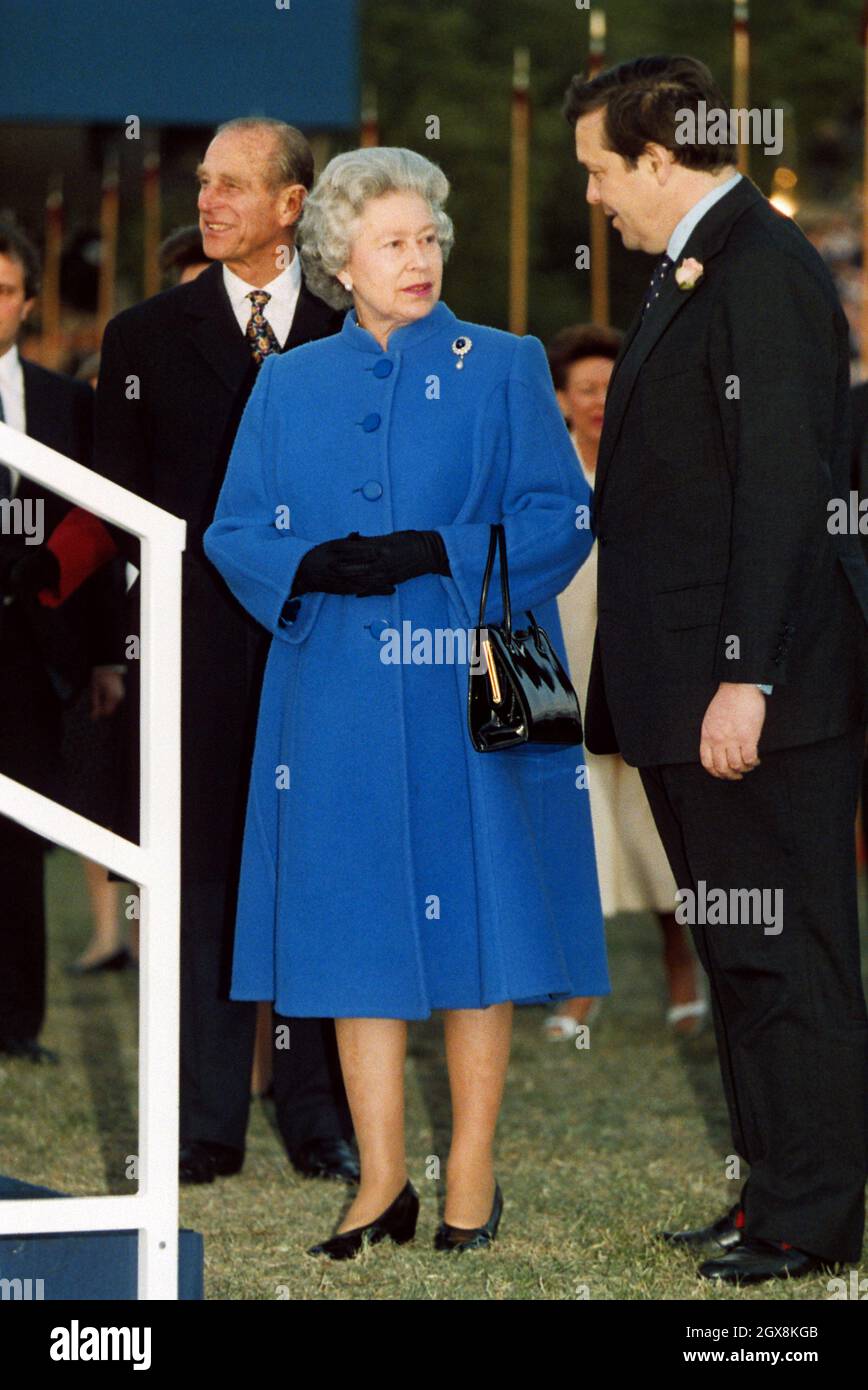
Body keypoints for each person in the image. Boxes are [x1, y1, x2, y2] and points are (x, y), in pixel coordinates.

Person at [203, 145, 609, 1260]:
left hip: (474, 680)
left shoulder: (506, 361)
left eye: (428, 237)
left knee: (479, 917)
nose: (418, 258)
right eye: (392, 242)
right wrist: (304, 567)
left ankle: (468, 1165)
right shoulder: (286, 382)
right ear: (339, 256)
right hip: (329, 691)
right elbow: (232, 528)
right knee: (350, 931)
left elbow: (560, 517)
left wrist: (442, 544)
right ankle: (379, 1178)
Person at [565, 54, 868, 1285]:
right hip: (696, 691)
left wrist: (744, 675)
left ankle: (810, 1217)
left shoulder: (761, 270)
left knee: (786, 960)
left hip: (754, 699)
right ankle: (769, 1196)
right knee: (745, 959)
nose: (594, 197)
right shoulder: (700, 265)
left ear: (655, 155)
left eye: (598, 168)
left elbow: (786, 493)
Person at [52, 117, 358, 1185]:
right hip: (191, 657)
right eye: (203, 184)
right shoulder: (143, 336)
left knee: (316, 881)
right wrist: (98, 639)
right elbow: (104, 506)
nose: (209, 202)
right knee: (195, 892)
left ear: (292, 205)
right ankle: (201, 1122)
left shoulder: (351, 328)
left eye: (234, 186)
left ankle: (321, 1115)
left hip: (328, 652)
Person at [547, 324, 704, 1040]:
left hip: (645, 676)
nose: (600, 401)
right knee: (580, 838)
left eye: (612, 387)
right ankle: (582, 991)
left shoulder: (657, 464)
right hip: (566, 672)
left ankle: (682, 973)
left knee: (652, 831)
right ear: (562, 400)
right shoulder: (545, 476)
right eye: (586, 389)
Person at [0, 222, 124, 1056]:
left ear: (30, 303)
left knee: (20, 845)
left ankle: (15, 1025)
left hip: (33, 661)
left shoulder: (64, 405)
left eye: (4, 290)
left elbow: (107, 528)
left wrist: (108, 651)